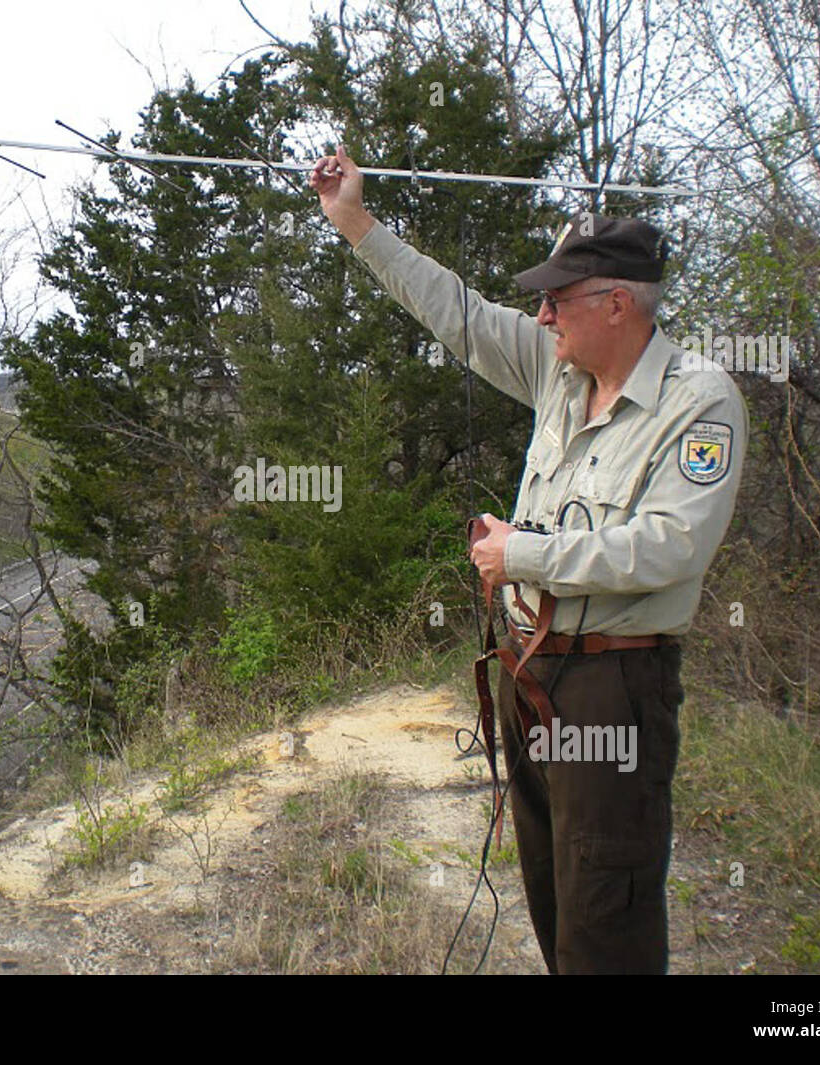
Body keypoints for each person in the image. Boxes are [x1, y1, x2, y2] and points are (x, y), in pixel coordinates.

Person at [309, 145, 748, 974]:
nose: (541, 317)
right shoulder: (561, 372)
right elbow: (459, 313)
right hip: (531, 672)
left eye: (557, 299)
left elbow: (672, 545)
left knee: (604, 909)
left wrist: (526, 554)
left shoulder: (699, 400)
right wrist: (355, 222)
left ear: (617, 303)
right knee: (550, 888)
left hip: (614, 688)